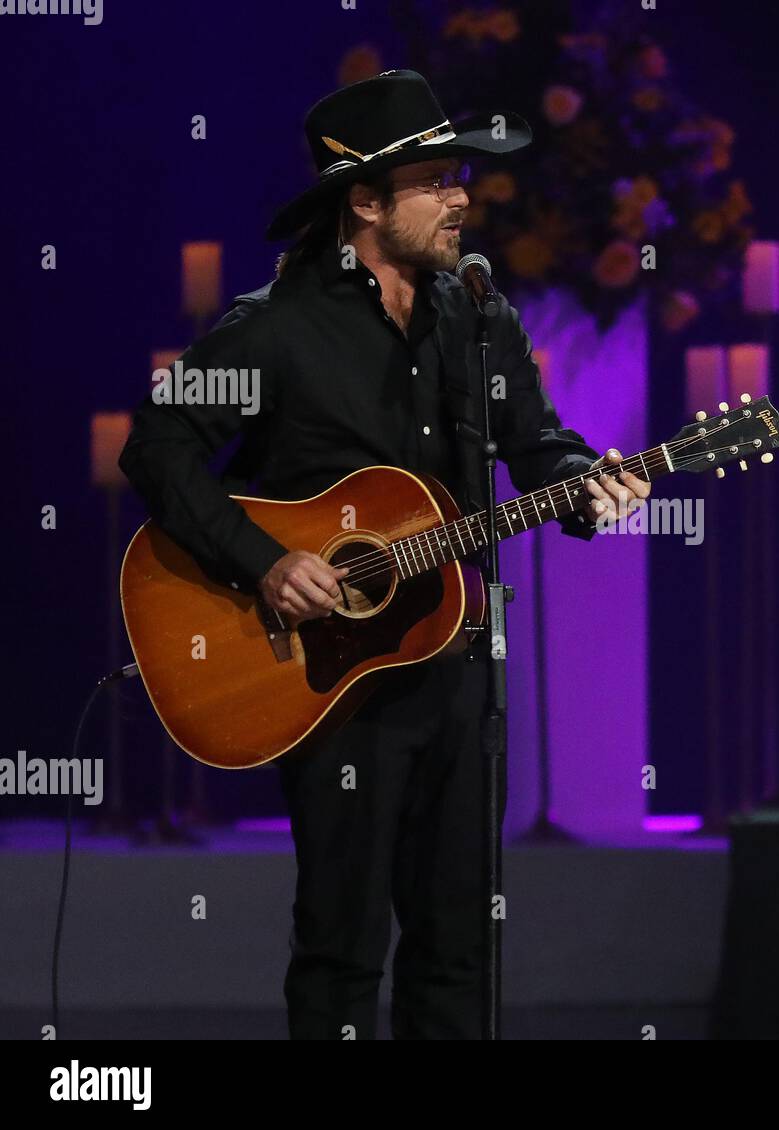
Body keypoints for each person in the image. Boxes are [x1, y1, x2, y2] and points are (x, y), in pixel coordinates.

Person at [119, 70, 650, 1039]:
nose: (462, 197)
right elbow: (154, 445)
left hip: (453, 669)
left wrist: (588, 482)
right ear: (364, 201)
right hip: (330, 677)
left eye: (460, 179)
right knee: (343, 942)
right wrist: (267, 560)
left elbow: (538, 444)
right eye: (436, 179)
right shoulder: (274, 329)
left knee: (458, 942)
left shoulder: (476, 314)